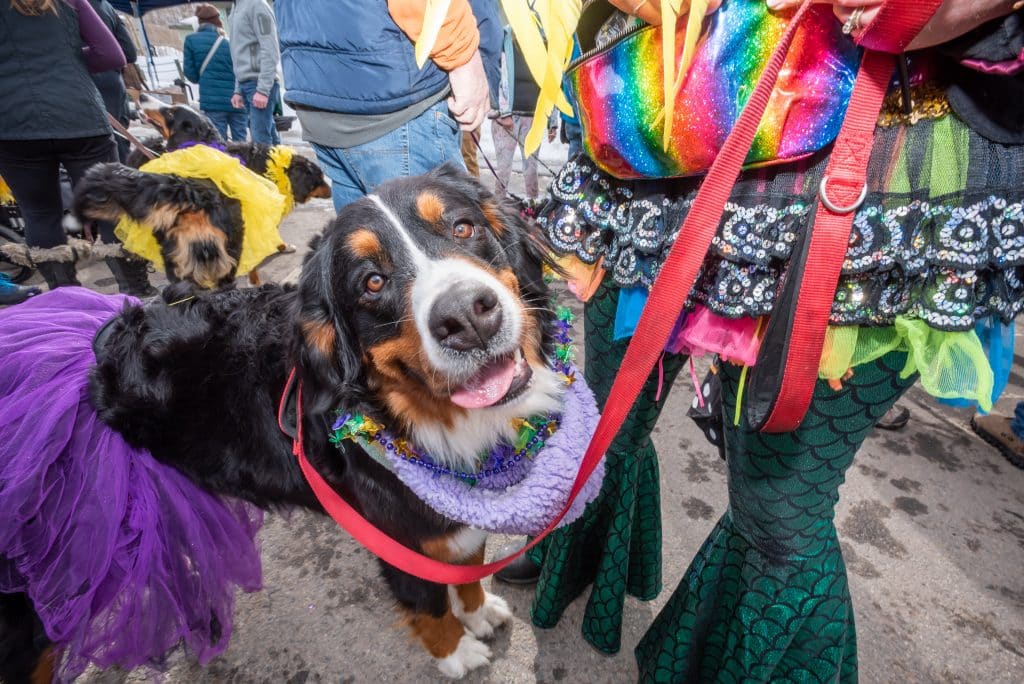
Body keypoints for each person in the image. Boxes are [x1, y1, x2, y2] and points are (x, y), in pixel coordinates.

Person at [497, 0, 1024, 680]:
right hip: (667, 118)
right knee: (606, 411)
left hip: (889, 160)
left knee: (778, 514)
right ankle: (577, 554)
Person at [275, 0, 502, 212]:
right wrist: (462, 57)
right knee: (444, 246)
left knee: (371, 250)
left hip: (320, 87)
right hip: (394, 95)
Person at [0, 0, 154, 295]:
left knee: (39, 213)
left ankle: (66, 295)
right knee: (110, 207)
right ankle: (137, 293)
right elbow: (112, 54)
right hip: (79, 114)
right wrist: (68, 61)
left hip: (13, 125)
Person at [491, 25, 558, 201]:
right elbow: (495, 73)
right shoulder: (504, 38)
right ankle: (498, 208)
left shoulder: (544, 42)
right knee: (503, 169)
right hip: (507, 117)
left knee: (531, 168)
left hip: (533, 117)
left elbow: (551, 82)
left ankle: (532, 207)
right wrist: (502, 112)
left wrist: (553, 121)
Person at [183, 4, 247, 141]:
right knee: (242, 143)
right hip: (237, 100)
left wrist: (205, 78)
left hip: (212, 102)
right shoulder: (229, 42)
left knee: (218, 143)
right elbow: (241, 70)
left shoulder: (191, 40)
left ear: (199, 21)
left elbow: (190, 74)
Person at [88, 0, 136, 163]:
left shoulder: (62, 7)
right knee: (120, 140)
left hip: (84, 86)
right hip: (113, 83)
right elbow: (130, 53)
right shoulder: (107, 7)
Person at [229, 0, 280, 145]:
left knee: (260, 142)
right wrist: (238, 89)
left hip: (258, 83)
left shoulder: (257, 4)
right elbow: (238, 53)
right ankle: (284, 166)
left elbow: (270, 48)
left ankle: (266, 168)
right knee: (267, 135)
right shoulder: (235, 7)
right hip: (247, 84)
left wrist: (263, 89)